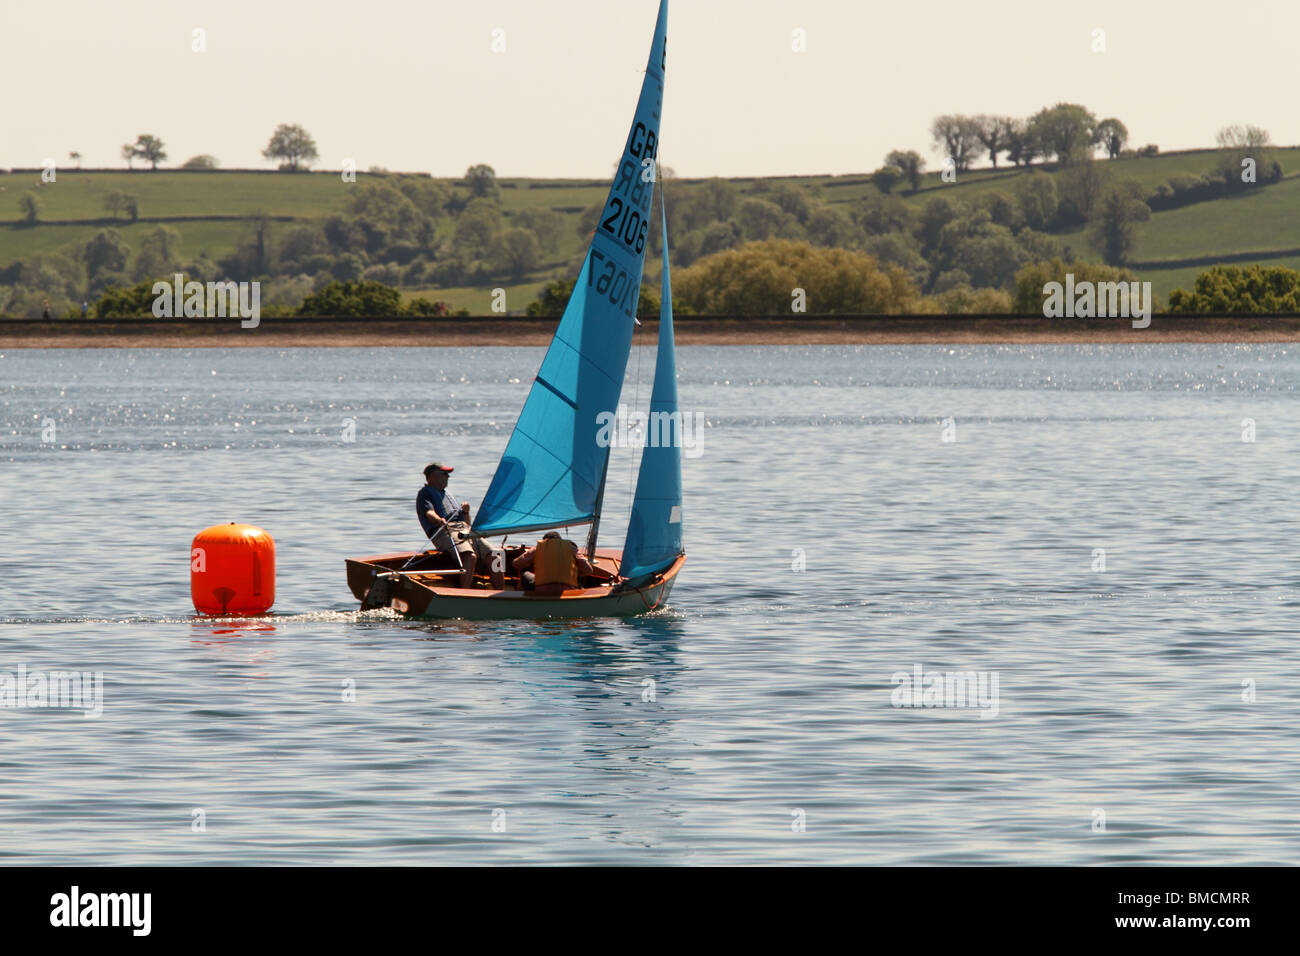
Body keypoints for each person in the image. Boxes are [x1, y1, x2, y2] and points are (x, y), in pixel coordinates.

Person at [416, 462, 504, 590]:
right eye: (444, 474)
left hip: (464, 529)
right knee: (469, 556)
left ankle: (501, 592)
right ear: (432, 476)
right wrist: (439, 520)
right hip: (444, 530)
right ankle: (465, 592)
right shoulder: (425, 493)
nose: (448, 477)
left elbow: (467, 523)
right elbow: (429, 512)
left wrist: (466, 512)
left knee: (497, 554)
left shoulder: (448, 494)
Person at [513, 531, 594, 596]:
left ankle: (520, 599)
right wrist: (575, 572)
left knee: (524, 574)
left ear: (544, 541)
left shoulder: (538, 548)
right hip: (568, 590)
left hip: (542, 590)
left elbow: (516, 564)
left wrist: (531, 561)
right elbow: (588, 570)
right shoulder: (571, 548)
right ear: (560, 540)